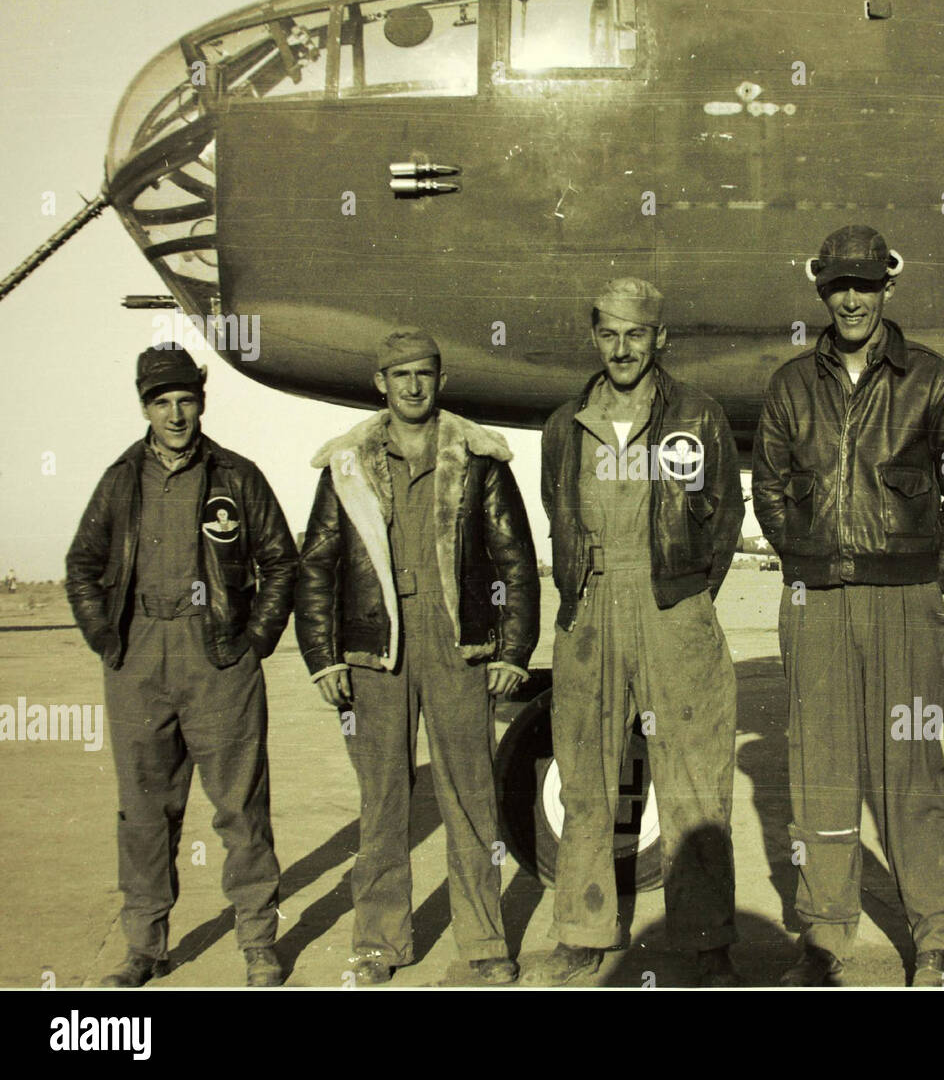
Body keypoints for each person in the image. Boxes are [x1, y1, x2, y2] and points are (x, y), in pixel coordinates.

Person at [752, 225, 944, 986]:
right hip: (816, 598)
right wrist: (808, 561)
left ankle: (937, 937)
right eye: (838, 287)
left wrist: (924, 580)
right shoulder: (790, 385)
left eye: (866, 284)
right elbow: (771, 489)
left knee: (910, 771)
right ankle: (825, 937)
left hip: (903, 599)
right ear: (823, 292)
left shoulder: (933, 380)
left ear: (889, 287)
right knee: (820, 770)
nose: (852, 298)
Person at [295, 330, 539, 985]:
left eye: (423, 374)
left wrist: (513, 649)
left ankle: (485, 942)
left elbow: (515, 558)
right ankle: (379, 943)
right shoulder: (347, 461)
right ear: (380, 381)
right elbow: (317, 563)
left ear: (441, 379)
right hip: (376, 650)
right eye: (399, 374)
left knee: (470, 796)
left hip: (458, 643)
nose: (411, 386)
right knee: (382, 802)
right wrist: (324, 656)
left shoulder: (479, 456)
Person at [526, 277, 745, 987]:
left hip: (671, 604)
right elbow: (554, 506)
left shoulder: (696, 415)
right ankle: (585, 931)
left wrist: (684, 595)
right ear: (595, 338)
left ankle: (705, 939)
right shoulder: (567, 425)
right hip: (590, 606)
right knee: (586, 775)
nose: (623, 349)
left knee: (692, 776)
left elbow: (724, 512)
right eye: (610, 334)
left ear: (660, 339)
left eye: (637, 334)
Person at [65, 344, 297, 987]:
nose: (175, 415)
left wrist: (253, 641)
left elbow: (280, 561)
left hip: (218, 658)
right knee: (143, 811)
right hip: (138, 659)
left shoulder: (237, 476)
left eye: (185, 401)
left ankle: (256, 941)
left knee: (240, 808)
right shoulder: (119, 480)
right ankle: (145, 947)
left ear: (201, 403)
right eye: (162, 403)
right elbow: (81, 565)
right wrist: (106, 639)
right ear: (145, 406)